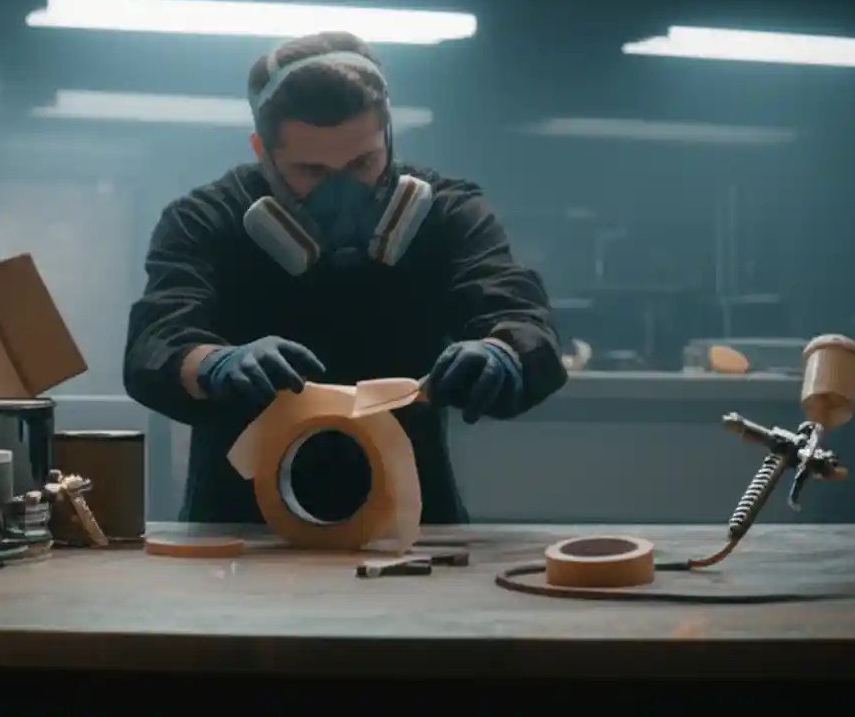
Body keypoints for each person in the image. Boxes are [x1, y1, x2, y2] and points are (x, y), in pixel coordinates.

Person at [123, 31, 568, 525]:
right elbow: (156, 340)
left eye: (362, 162)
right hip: (242, 529)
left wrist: (504, 354)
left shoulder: (445, 214)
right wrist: (213, 364)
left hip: (412, 528)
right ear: (261, 151)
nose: (341, 193)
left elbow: (519, 314)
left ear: (389, 137)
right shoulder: (206, 220)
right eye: (311, 170)